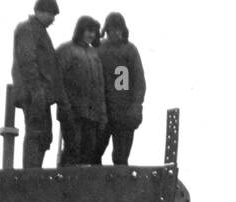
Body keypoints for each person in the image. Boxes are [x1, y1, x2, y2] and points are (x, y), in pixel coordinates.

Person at [12, 0, 61, 169]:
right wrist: (37, 90)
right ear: (41, 11)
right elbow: (27, 61)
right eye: (51, 15)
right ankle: (30, 175)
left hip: (41, 94)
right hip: (33, 93)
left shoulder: (39, 31)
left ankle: (34, 172)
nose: (53, 19)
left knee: (44, 136)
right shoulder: (28, 29)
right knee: (36, 133)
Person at [53, 15, 106, 166]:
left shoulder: (94, 54)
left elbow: (100, 85)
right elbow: (58, 79)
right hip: (72, 111)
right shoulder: (66, 50)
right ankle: (62, 185)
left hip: (92, 114)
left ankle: (79, 188)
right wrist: (64, 105)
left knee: (88, 152)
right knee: (72, 149)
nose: (91, 35)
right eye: (88, 31)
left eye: (94, 32)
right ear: (80, 31)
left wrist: (102, 114)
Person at [96, 12, 145, 165]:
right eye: (111, 30)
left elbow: (139, 82)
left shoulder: (130, 50)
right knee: (93, 154)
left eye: (118, 30)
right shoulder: (98, 49)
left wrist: (136, 106)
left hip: (124, 113)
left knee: (120, 158)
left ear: (123, 30)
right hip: (102, 111)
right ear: (106, 30)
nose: (115, 33)